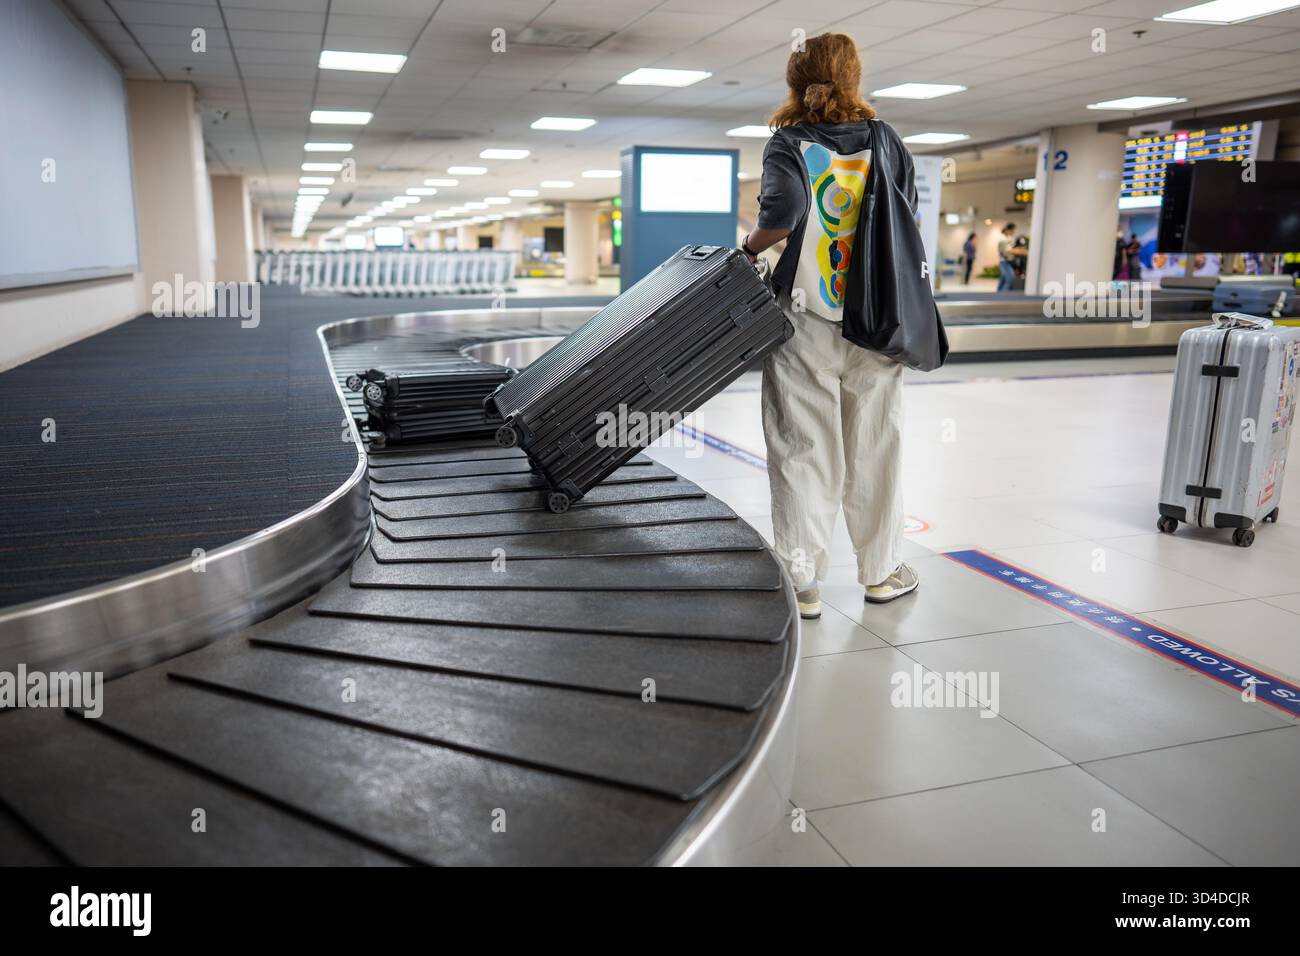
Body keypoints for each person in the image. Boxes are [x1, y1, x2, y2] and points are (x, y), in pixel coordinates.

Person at [739, 32, 918, 620]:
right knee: (874, 441)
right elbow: (907, 221)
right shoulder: (886, 140)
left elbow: (781, 217)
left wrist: (749, 246)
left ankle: (803, 582)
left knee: (802, 447)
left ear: (796, 82)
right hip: (878, 317)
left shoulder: (787, 142)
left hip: (804, 316)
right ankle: (881, 573)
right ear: (855, 78)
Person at [996, 222, 1017, 291]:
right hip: (1004, 262)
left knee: (1003, 280)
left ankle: (997, 296)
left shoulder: (1008, 238)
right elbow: (1006, 251)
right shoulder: (1003, 239)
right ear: (1008, 230)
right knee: (1010, 279)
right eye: (1013, 230)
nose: (1014, 232)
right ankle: (1002, 297)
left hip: (1007, 262)